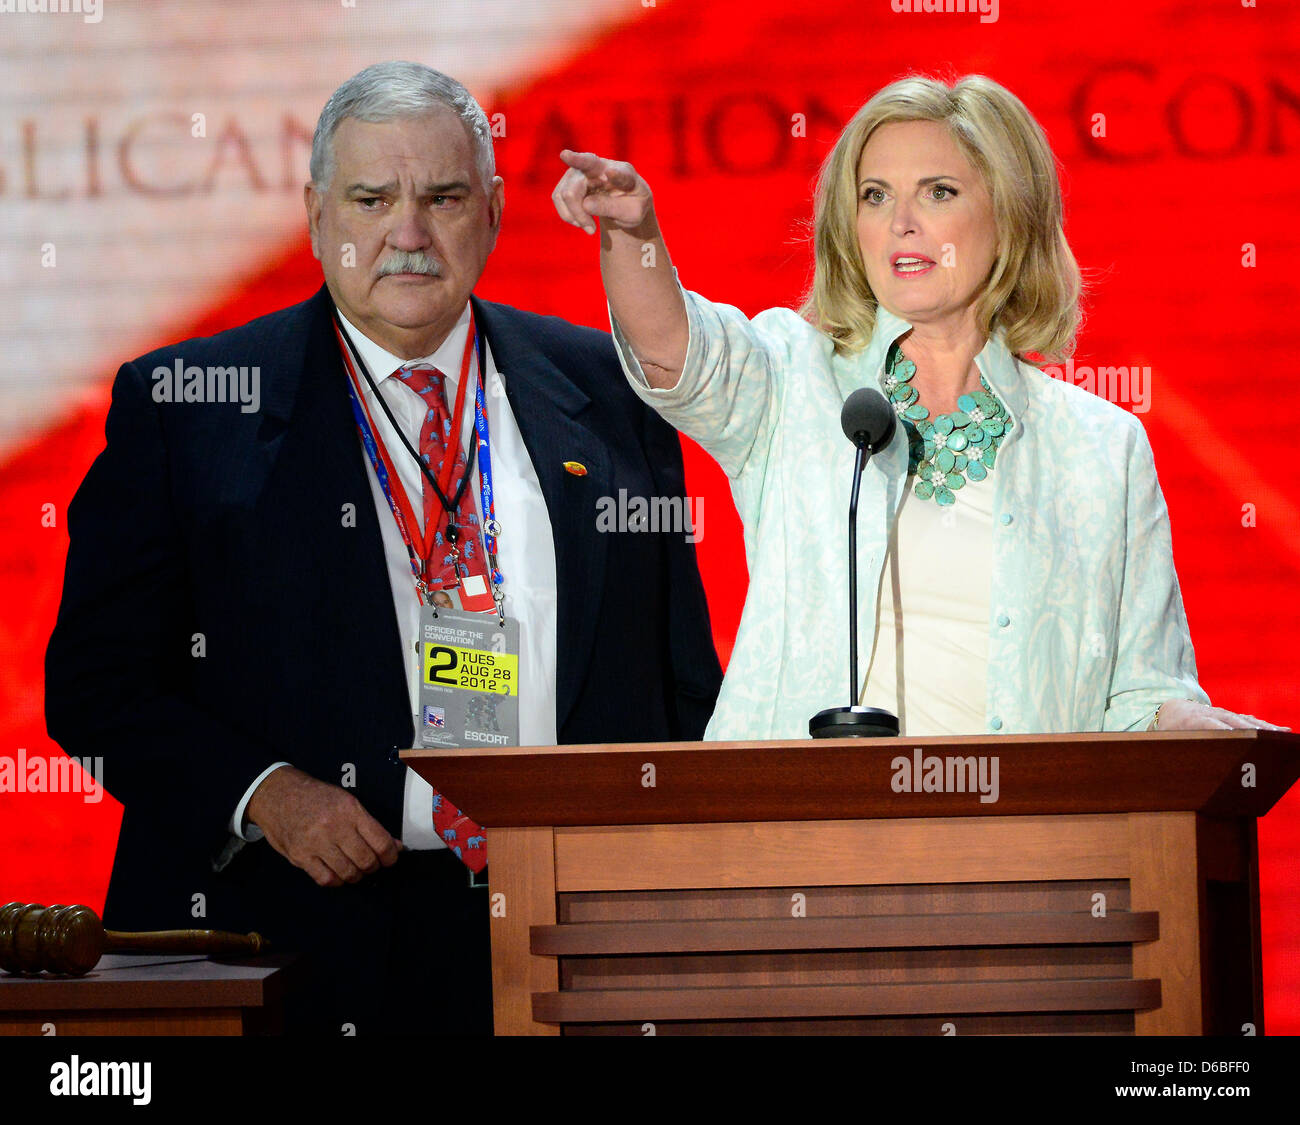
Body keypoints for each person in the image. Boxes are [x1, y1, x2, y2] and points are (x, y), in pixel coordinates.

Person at [45, 61, 721, 1035]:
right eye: (372, 199)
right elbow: (96, 689)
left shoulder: (609, 389)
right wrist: (266, 795)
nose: (407, 233)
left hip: (565, 946)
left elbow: (677, 693)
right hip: (284, 946)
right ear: (318, 215)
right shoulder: (188, 407)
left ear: (490, 211)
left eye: (442, 198)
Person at [552, 73, 1287, 741]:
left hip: (1022, 851)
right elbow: (674, 355)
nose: (902, 220)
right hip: (801, 842)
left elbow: (1141, 690)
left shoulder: (1102, 445)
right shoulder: (792, 377)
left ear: (1009, 214)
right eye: (875, 195)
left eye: (938, 191)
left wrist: (1189, 722)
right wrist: (632, 234)